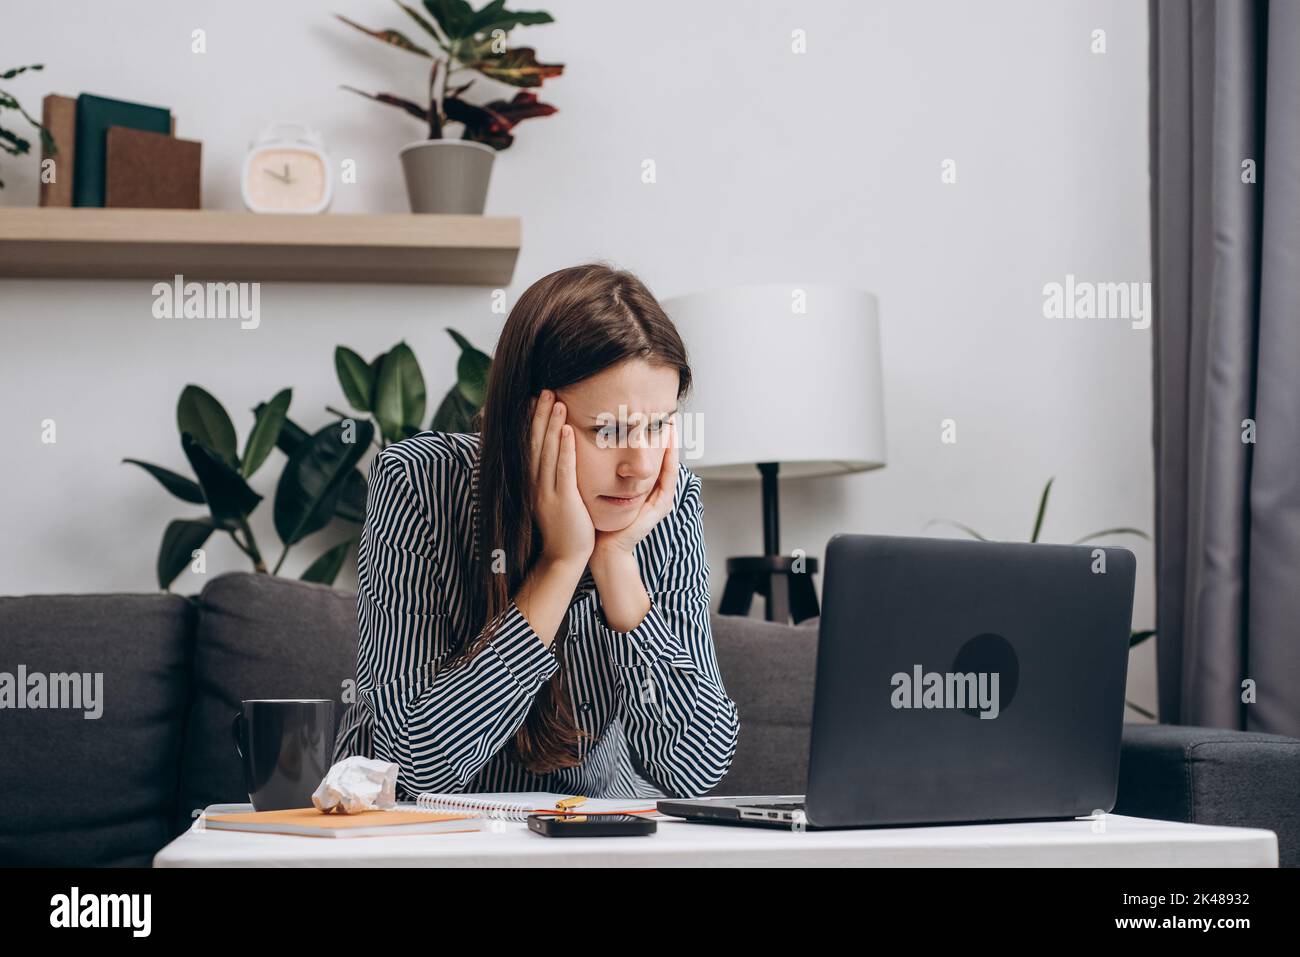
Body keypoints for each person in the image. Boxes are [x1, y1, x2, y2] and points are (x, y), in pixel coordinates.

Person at [332, 262, 739, 800]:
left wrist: (616, 564)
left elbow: (695, 768)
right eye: (609, 430)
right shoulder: (418, 483)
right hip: (426, 837)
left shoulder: (666, 498)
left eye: (659, 425)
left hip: (588, 838)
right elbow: (412, 764)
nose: (640, 465)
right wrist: (562, 563)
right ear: (531, 423)